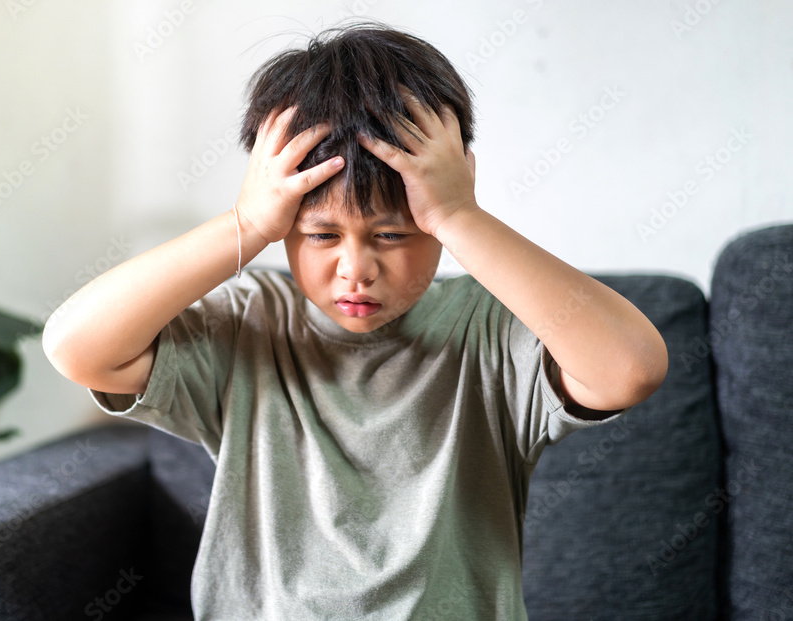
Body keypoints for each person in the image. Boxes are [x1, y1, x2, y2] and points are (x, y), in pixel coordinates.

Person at [43, 22, 668, 620]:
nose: (356, 270)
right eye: (321, 235)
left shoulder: (492, 331)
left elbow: (630, 370)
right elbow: (76, 346)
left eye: (392, 234)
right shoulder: (247, 322)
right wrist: (246, 224)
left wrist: (459, 215)